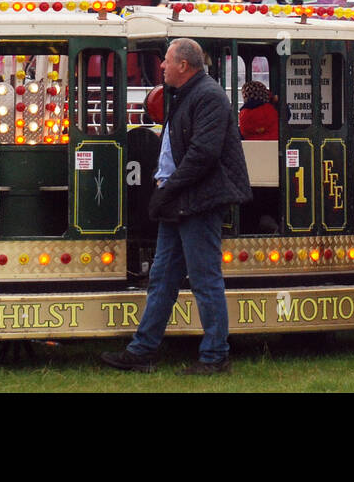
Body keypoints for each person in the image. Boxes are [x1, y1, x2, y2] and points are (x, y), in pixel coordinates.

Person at [101, 38, 252, 375]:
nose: (162, 67)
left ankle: (215, 357)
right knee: (162, 279)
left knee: (205, 279)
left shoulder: (209, 96)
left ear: (184, 65)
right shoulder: (188, 95)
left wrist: (168, 190)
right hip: (180, 199)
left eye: (167, 61)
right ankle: (142, 351)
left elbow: (203, 154)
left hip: (198, 201)